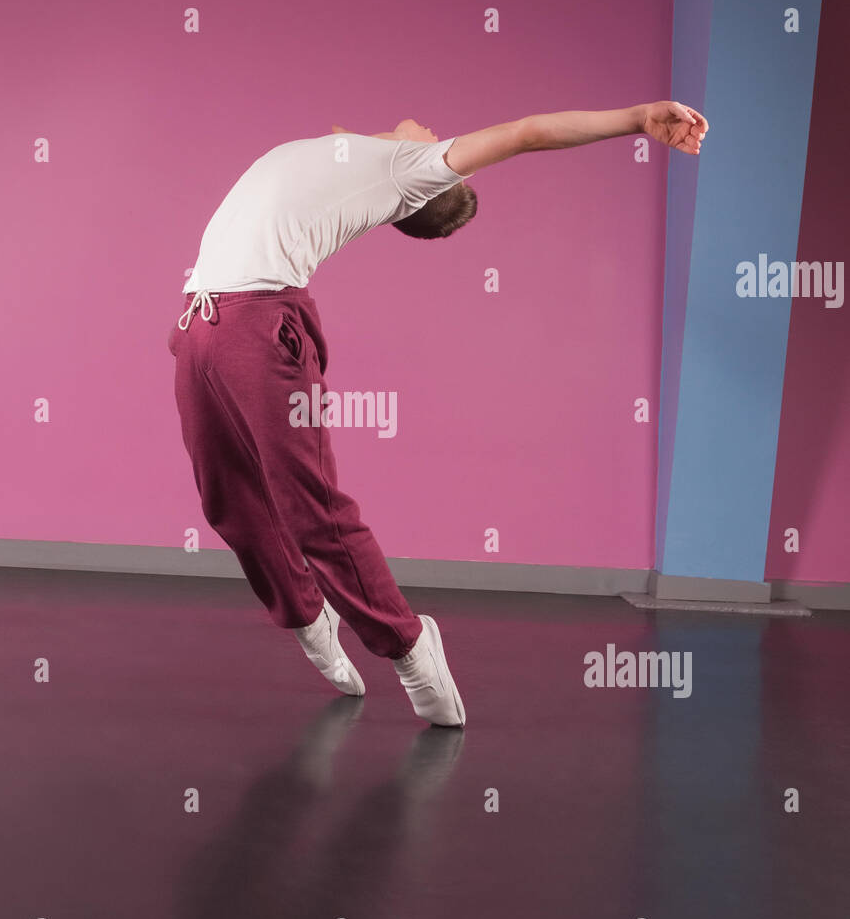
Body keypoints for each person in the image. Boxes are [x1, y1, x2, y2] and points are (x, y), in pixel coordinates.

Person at [167, 103, 709, 728]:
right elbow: (348, 133)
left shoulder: (411, 168)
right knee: (227, 500)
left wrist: (638, 119)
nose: (425, 125)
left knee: (309, 506)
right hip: (198, 323)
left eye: (433, 143)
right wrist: (385, 134)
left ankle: (408, 644)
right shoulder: (359, 157)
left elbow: (527, 134)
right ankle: (309, 616)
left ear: (435, 182)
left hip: (259, 322)